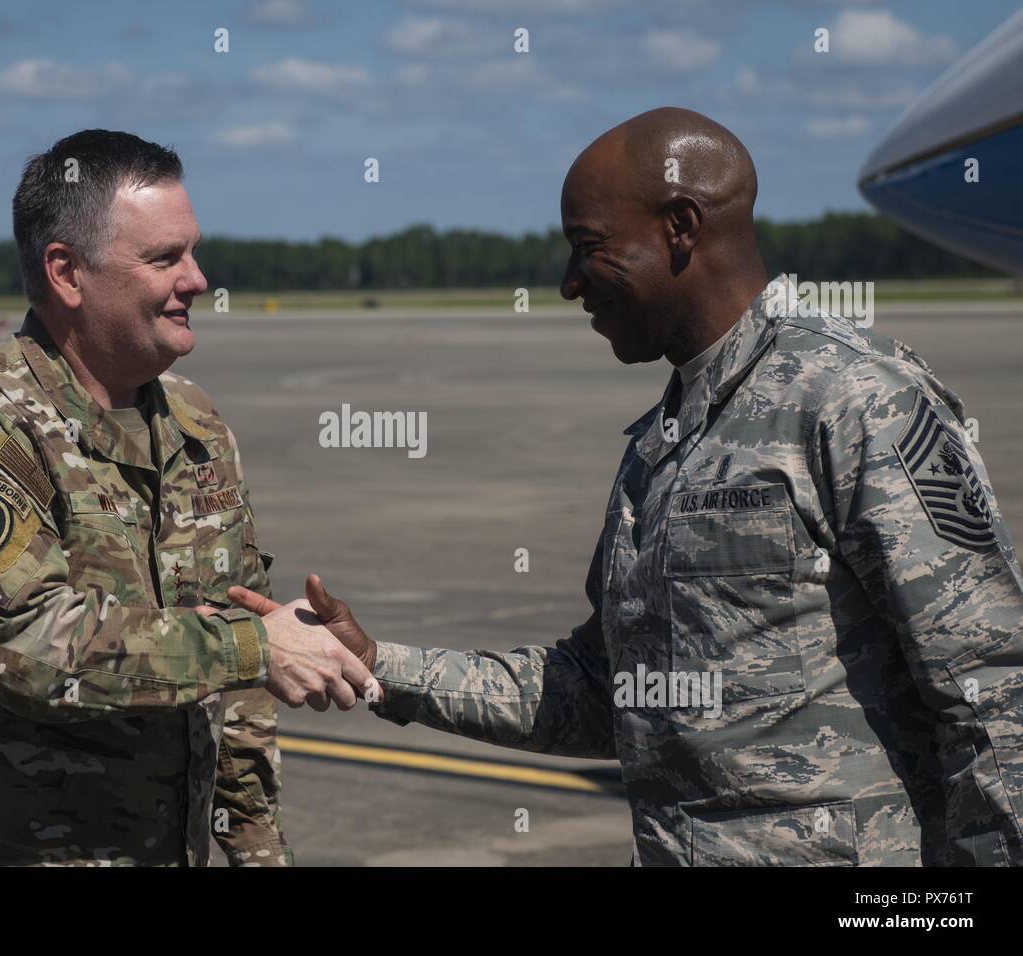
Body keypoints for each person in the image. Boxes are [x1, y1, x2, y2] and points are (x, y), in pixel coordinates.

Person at [231, 108, 1023, 866]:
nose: (571, 283)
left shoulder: (855, 400)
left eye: (589, 247)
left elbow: (992, 693)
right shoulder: (662, 443)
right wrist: (380, 663)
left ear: (681, 228)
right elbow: (605, 689)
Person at [0, 129, 372, 866]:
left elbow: (241, 687)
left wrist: (256, 851)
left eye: (193, 251)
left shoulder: (195, 423)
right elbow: (25, 648)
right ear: (67, 272)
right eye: (164, 258)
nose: (198, 279)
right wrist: (249, 648)